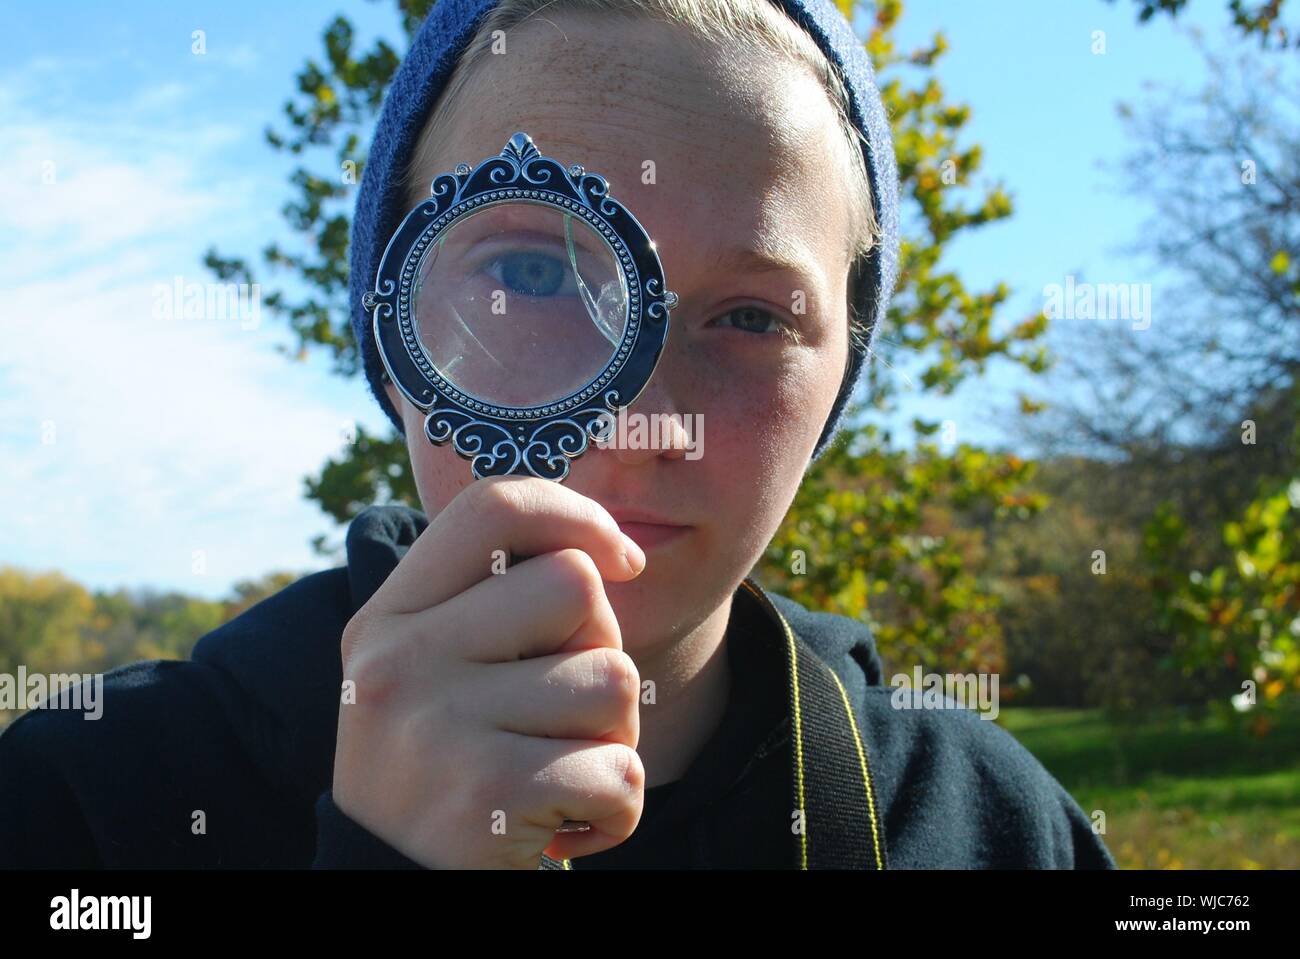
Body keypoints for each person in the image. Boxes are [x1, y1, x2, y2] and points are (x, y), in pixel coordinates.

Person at [0, 0, 1115, 870]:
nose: (637, 416)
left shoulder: (997, 830)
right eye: (533, 272)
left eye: (750, 316)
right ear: (391, 325)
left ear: (841, 376)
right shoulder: (82, 805)